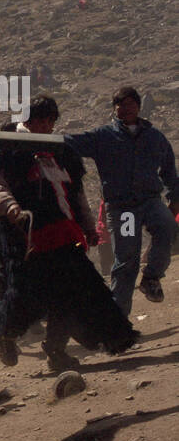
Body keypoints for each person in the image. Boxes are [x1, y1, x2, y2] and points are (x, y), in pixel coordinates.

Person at [0, 95, 137, 371]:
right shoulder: (9, 151)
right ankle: (6, 333)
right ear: (27, 121)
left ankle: (56, 351)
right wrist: (13, 209)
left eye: (49, 120)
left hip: (64, 237)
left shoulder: (62, 153)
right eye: (39, 120)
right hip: (27, 239)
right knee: (24, 296)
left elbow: (76, 195)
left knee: (75, 293)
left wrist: (89, 228)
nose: (44, 125)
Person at [63, 87, 179, 313]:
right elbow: (70, 142)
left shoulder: (155, 137)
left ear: (138, 106)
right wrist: (39, 139)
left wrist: (175, 198)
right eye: (120, 105)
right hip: (123, 208)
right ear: (114, 109)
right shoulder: (103, 136)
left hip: (150, 201)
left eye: (129, 104)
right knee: (127, 259)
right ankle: (118, 321)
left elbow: (169, 171)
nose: (125, 109)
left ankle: (152, 277)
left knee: (167, 226)